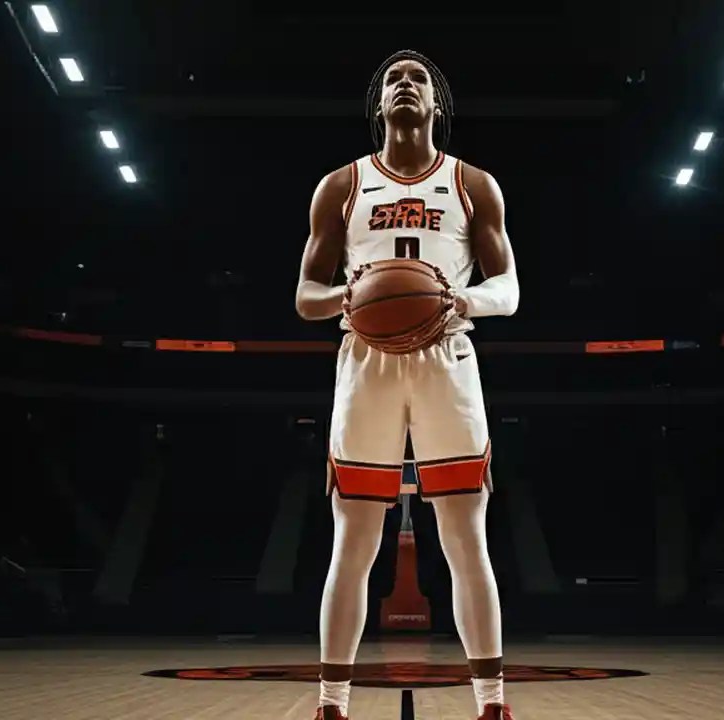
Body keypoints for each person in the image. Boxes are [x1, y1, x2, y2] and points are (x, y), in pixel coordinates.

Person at [295, 49, 519, 720]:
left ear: (436, 106)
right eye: (393, 79)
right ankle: (332, 705)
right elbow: (305, 295)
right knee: (354, 539)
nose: (404, 85)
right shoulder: (341, 186)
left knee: (464, 538)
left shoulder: (474, 183)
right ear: (378, 106)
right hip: (366, 361)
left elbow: (509, 287)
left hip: (448, 355)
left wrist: (465, 301)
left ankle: (492, 704)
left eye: (417, 78)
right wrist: (348, 295)